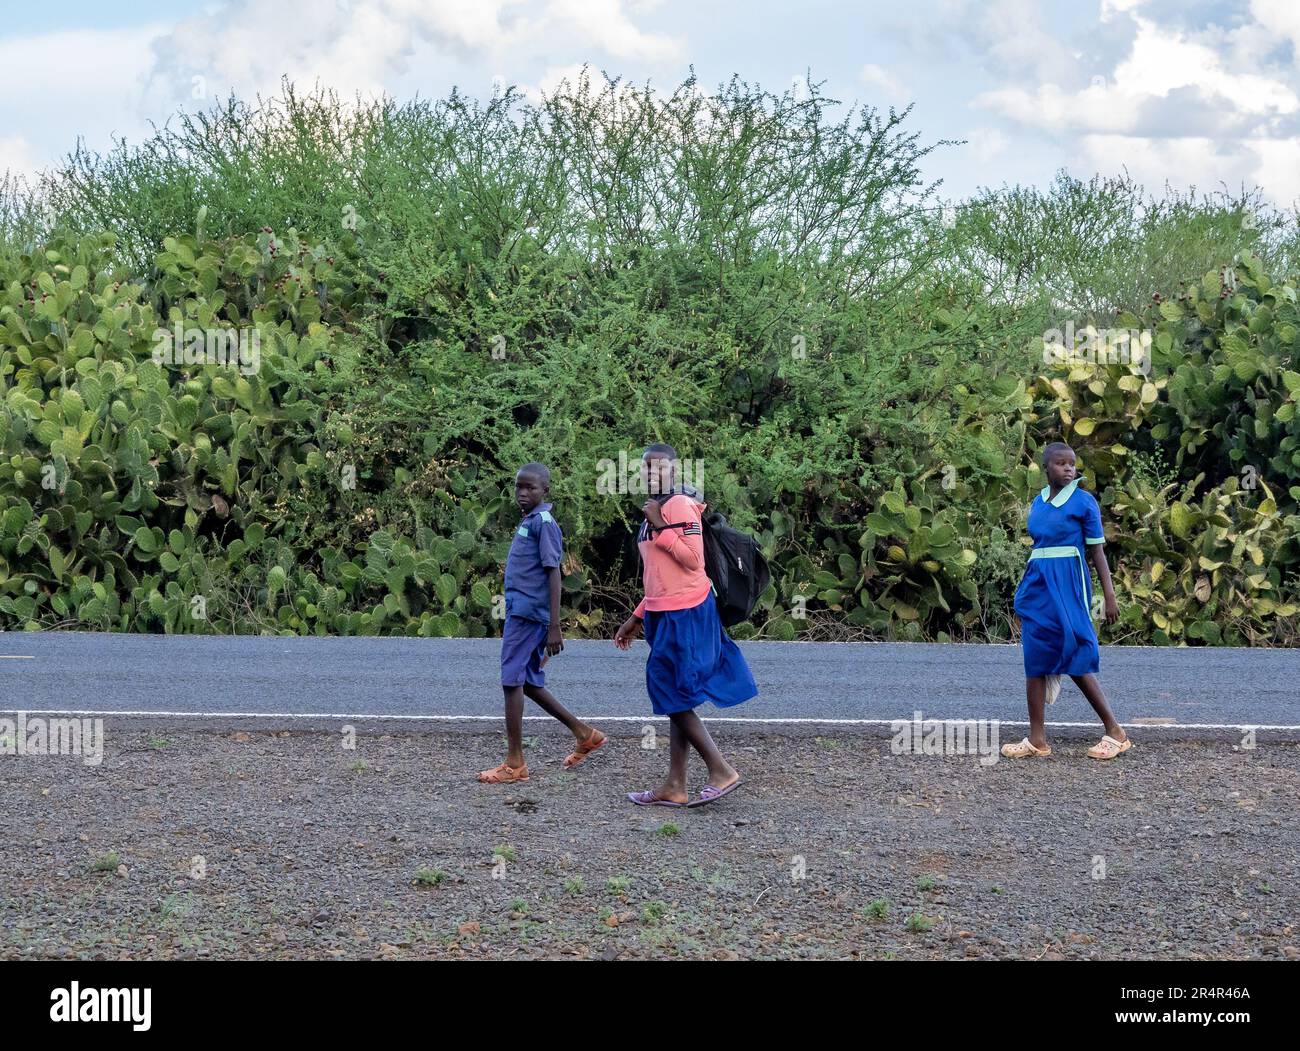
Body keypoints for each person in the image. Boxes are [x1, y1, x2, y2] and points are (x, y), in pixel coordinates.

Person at [613, 444, 757, 806]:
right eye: (646, 468)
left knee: (668, 688)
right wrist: (638, 615)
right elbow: (660, 575)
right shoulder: (655, 508)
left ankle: (721, 769)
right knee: (677, 691)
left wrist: (660, 525)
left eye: (659, 468)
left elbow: (693, 560)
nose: (651, 474)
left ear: (674, 471)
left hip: (687, 611)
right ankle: (675, 785)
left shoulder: (677, 505)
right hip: (663, 611)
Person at [1003, 442, 1132, 761]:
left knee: (1074, 650)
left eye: (1072, 464)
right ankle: (1037, 740)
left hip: (1069, 582)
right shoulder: (1038, 501)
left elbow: (1097, 553)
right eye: (1061, 463)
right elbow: (1038, 546)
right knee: (1035, 656)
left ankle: (1115, 732)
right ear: (1046, 468)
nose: (1068, 468)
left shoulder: (1083, 502)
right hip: (1038, 582)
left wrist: (1109, 594)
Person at [478, 462, 605, 783]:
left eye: (530, 488)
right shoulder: (531, 520)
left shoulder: (544, 523)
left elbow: (553, 573)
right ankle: (585, 734)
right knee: (530, 682)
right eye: (519, 487)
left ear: (545, 490)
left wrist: (554, 625)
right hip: (523, 611)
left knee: (511, 681)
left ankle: (515, 763)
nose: (522, 493)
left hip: (530, 615)